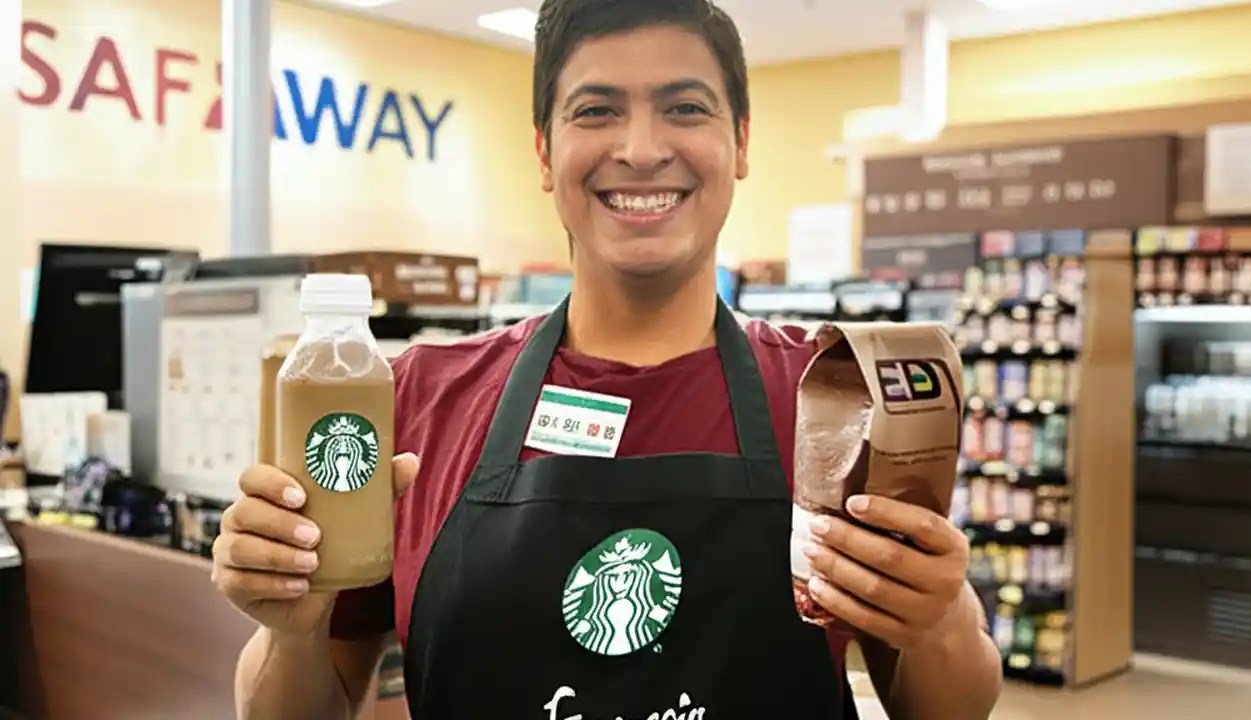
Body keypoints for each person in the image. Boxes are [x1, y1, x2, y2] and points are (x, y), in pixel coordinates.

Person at [211, 0, 1003, 718]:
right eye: (597, 110)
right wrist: (291, 632)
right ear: (546, 152)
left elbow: (947, 709)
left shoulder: (834, 397)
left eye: (684, 108)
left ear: (741, 142)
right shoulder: (418, 397)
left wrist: (941, 620)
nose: (641, 149)